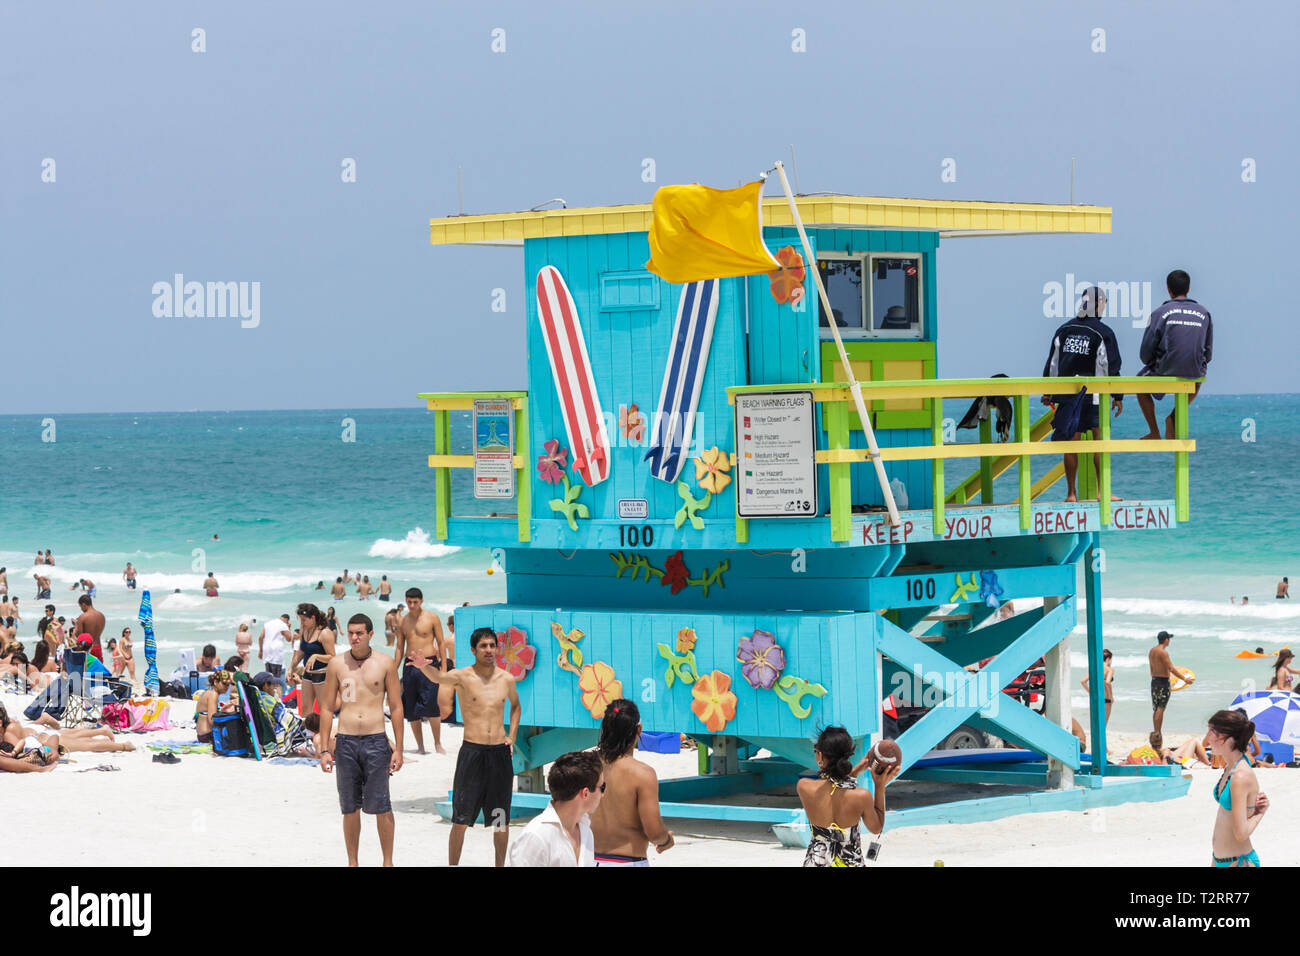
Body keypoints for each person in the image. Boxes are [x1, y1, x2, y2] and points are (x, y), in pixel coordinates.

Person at [409, 627, 520, 866]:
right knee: (461, 819)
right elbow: (438, 678)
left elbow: (515, 706)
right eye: (483, 646)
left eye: (492, 645)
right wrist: (422, 666)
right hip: (472, 753)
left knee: (500, 820)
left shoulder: (506, 679)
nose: (489, 650)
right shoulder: (462, 676)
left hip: (499, 755)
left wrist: (512, 735)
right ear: (473, 650)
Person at [319, 613, 404, 867]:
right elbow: (325, 708)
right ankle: (352, 862)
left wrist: (399, 749)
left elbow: (397, 708)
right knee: (349, 807)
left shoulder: (385, 663)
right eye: (351, 632)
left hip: (376, 741)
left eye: (360, 633)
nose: (354, 638)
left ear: (370, 634)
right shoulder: (337, 664)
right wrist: (324, 750)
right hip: (344, 742)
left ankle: (387, 862)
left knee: (382, 805)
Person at [1041, 284, 1124, 503]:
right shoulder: (1103, 332)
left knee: (1071, 443)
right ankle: (1101, 492)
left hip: (1069, 396)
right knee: (1100, 442)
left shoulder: (1064, 329)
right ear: (1099, 304)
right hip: (1093, 396)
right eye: (1104, 303)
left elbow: (1053, 363)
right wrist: (1118, 396)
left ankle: (1071, 494)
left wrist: (1048, 391)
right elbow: (1111, 366)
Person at [796, 726, 900, 867]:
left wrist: (854, 773)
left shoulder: (804, 787)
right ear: (847, 756)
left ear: (820, 756)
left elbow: (833, 788)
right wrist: (879, 787)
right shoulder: (862, 796)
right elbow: (876, 828)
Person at [590, 699, 673, 866]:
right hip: (628, 860)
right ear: (639, 730)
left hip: (589, 859)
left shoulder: (586, 765)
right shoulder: (642, 774)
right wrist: (667, 840)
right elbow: (654, 832)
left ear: (605, 729)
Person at [1137, 269, 1212, 440]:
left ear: (1168, 289)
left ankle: (1154, 432)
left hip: (1166, 368)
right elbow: (1208, 353)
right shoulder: (1204, 314)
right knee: (1198, 379)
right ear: (1188, 288)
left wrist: (1154, 362)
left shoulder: (1159, 313)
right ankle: (1174, 416)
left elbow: (1145, 352)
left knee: (1139, 386)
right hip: (1194, 371)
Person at [508, 750, 604, 867]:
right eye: (602, 787)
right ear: (585, 793)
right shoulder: (536, 836)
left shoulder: (586, 832)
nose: (603, 794)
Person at [1205, 709, 1267, 866]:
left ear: (1224, 738)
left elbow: (1241, 834)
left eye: (1211, 732)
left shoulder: (1240, 776)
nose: (1207, 738)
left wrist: (1260, 813)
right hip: (1220, 859)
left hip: (1239, 862)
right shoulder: (1230, 767)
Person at [395, 587, 447, 755]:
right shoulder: (402, 621)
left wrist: (444, 668)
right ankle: (420, 746)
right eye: (408, 602)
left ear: (421, 601)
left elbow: (441, 642)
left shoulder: (432, 618)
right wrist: (393, 669)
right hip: (410, 665)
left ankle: (438, 743)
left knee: (431, 703)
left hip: (429, 663)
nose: (411, 605)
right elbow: (399, 647)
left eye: (414, 602)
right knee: (410, 706)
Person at [291, 604, 335, 719]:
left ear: (313, 618)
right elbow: (301, 651)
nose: (302, 623)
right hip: (308, 673)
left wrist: (316, 656)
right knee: (305, 708)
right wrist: (291, 668)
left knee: (323, 709)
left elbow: (333, 657)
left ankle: (325, 736)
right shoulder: (304, 630)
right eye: (300, 619)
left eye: (304, 620)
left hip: (322, 675)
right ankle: (307, 734)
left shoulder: (324, 633)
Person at [1148, 630, 1192, 737]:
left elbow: (1153, 668)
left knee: (1156, 708)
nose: (1169, 641)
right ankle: (1158, 733)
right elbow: (1171, 668)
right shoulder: (1163, 652)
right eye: (1169, 639)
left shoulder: (1152, 651)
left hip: (1154, 681)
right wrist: (1184, 679)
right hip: (1163, 683)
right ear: (1166, 640)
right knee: (1161, 708)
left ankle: (1156, 732)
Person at [195, 670, 238, 744]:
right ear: (215, 682)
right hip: (207, 736)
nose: (227, 687)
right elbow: (212, 720)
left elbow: (211, 715)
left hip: (202, 735)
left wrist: (224, 708)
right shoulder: (213, 695)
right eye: (224, 683)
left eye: (228, 684)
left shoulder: (208, 693)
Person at [1081, 648, 1115, 727]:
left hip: (1096, 698)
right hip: (1106, 699)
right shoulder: (1109, 670)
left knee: (1097, 724)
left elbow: (1083, 681)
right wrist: (1111, 696)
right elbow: (1107, 682)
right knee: (1104, 724)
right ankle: (1101, 739)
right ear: (1108, 659)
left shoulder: (1096, 669)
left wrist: (1091, 692)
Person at [72, 595, 105, 663]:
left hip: (87, 649)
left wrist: (76, 626)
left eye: (80, 606)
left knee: (86, 672)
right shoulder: (101, 616)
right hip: (98, 647)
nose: (81, 609)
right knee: (98, 671)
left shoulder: (83, 617)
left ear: (83, 604)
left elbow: (80, 637)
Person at [259, 613, 291, 679]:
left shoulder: (268, 623)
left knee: (269, 675)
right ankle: (277, 688)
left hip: (266, 651)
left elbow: (260, 637)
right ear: (287, 620)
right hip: (276, 652)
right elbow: (289, 639)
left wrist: (261, 650)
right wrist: (288, 627)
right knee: (276, 678)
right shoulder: (283, 625)